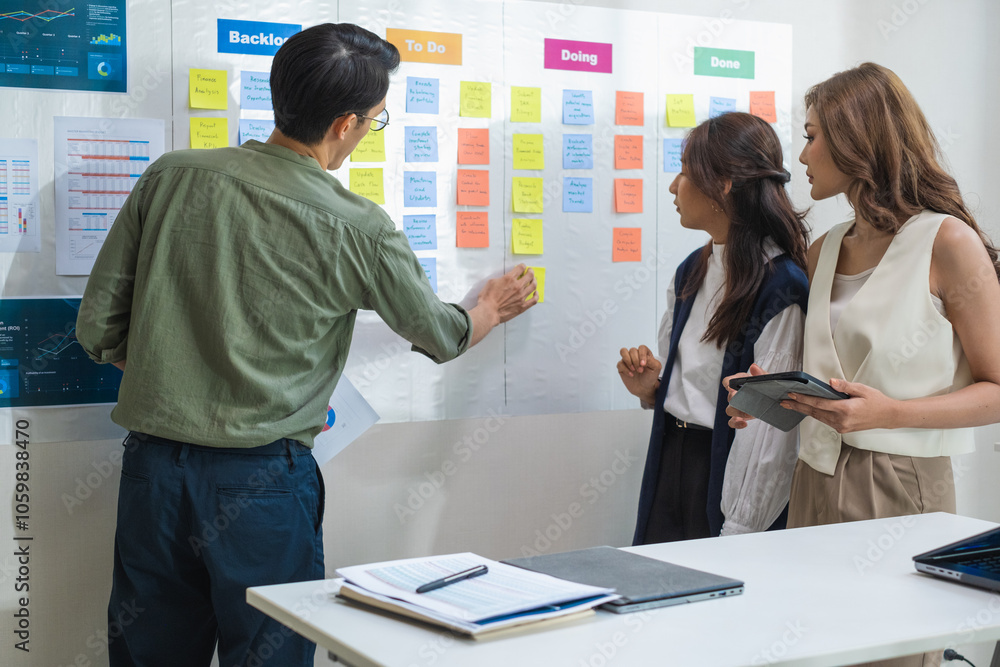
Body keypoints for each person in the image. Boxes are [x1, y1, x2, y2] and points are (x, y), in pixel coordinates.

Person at [76, 23, 537, 667]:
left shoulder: (171, 176)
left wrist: (175, 379)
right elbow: (440, 334)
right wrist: (486, 308)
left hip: (153, 475)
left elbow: (98, 329)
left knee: (150, 654)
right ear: (346, 124)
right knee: (270, 654)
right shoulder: (359, 227)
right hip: (262, 483)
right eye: (374, 121)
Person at [727, 63, 1000, 667]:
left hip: (899, 483)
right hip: (812, 478)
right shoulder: (823, 250)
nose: (801, 155)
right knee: (816, 651)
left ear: (856, 139)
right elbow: (831, 381)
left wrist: (891, 412)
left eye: (811, 136)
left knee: (891, 655)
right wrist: (768, 394)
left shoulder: (948, 243)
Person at [618, 112, 810, 544]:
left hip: (727, 472)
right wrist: (652, 389)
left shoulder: (781, 286)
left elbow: (770, 434)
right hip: (671, 457)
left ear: (722, 185)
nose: (673, 187)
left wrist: (740, 530)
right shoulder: (693, 269)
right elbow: (690, 386)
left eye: (684, 172)